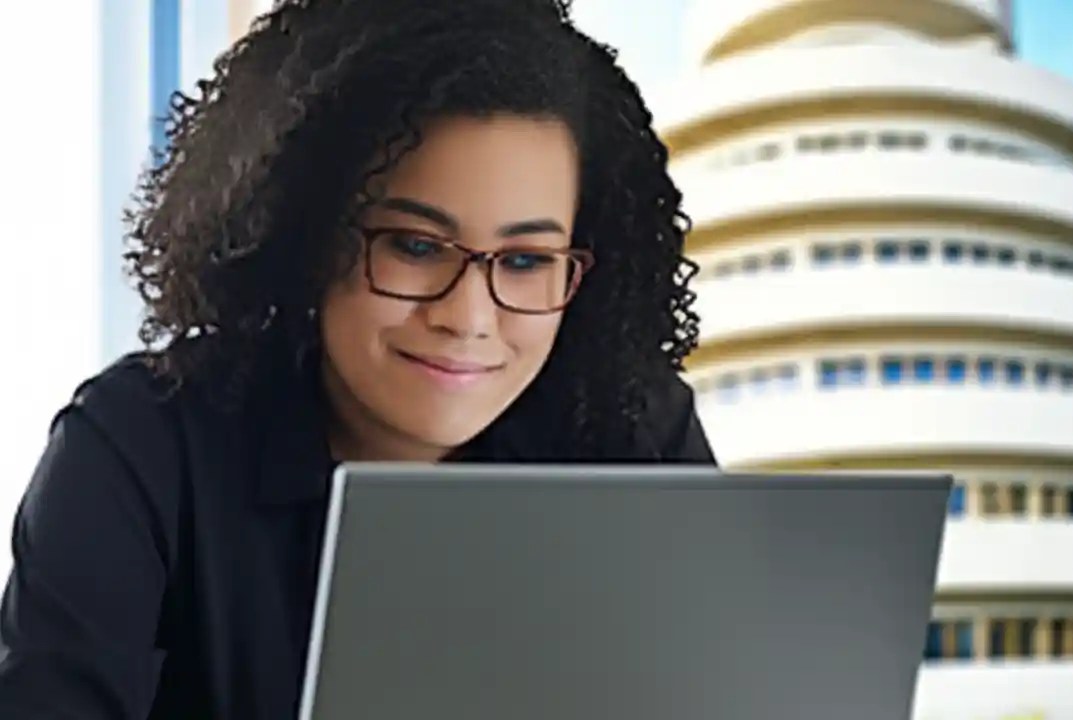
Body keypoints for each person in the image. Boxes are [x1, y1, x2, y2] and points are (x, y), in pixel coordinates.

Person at [0, 0, 715, 716]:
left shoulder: (633, 435)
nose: (468, 318)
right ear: (307, 233)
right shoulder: (137, 450)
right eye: (414, 246)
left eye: (526, 260)